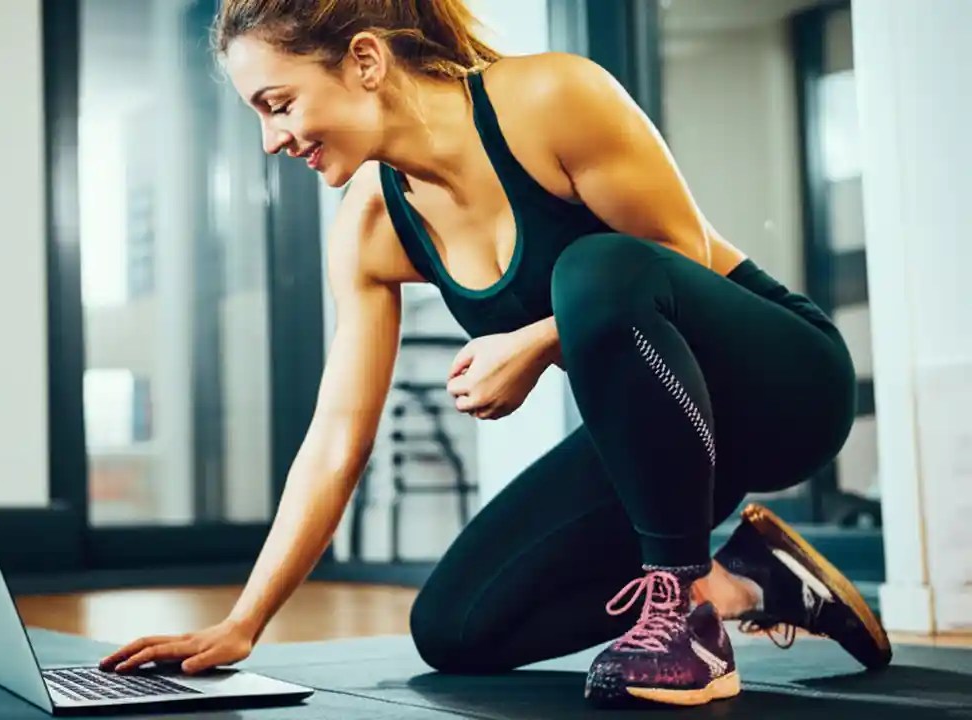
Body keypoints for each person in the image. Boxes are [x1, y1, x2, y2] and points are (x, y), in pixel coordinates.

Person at [99, 0, 892, 708]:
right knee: (455, 626)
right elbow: (338, 438)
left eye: (279, 104)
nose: (273, 139)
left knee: (594, 265)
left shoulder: (548, 99)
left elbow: (668, 255)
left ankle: (685, 620)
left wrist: (537, 341)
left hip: (783, 387)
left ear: (365, 61)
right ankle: (747, 581)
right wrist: (245, 623)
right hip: (665, 448)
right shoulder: (373, 224)